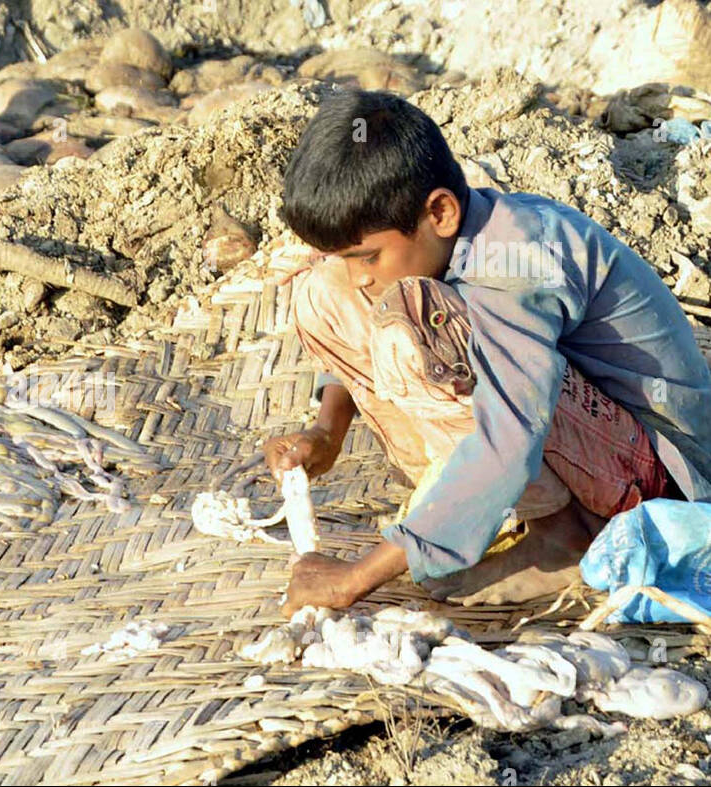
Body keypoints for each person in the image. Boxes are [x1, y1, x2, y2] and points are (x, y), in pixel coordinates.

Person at [266, 89, 711, 615]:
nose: (362, 276)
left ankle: (563, 537)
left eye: (367, 256)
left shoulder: (514, 263)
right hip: (569, 440)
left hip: (650, 474)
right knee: (323, 289)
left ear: (440, 212)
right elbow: (347, 298)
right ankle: (470, 504)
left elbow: (509, 436)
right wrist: (326, 430)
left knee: (423, 325)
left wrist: (354, 580)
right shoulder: (444, 242)